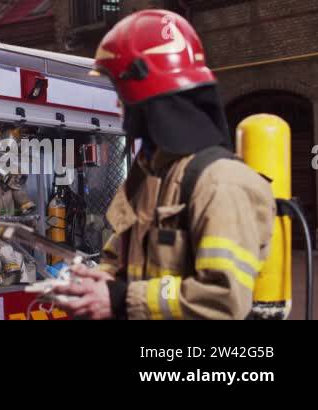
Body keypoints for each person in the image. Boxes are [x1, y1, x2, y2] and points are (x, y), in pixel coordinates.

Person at [53, 10, 276, 320]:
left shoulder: (221, 182)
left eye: (120, 92)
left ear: (142, 90)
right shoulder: (148, 173)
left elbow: (224, 299)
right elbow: (120, 255)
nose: (118, 105)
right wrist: (100, 282)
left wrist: (120, 299)